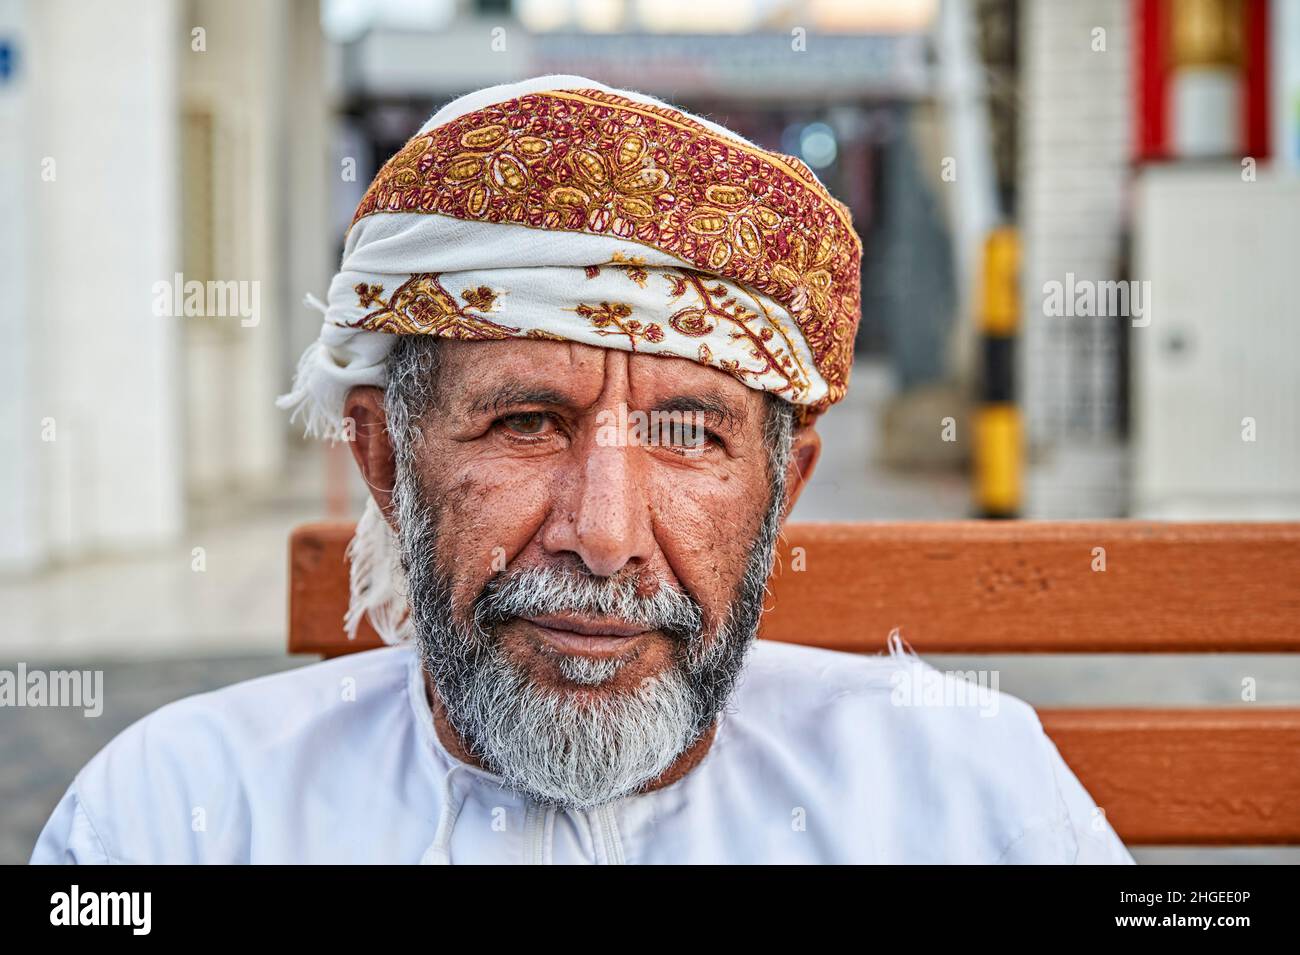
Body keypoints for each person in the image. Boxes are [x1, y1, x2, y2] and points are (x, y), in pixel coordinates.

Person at [32, 76, 1132, 864]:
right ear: (383, 456)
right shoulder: (179, 810)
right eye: (524, 422)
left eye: (690, 434)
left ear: (782, 487)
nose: (603, 535)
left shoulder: (964, 788)